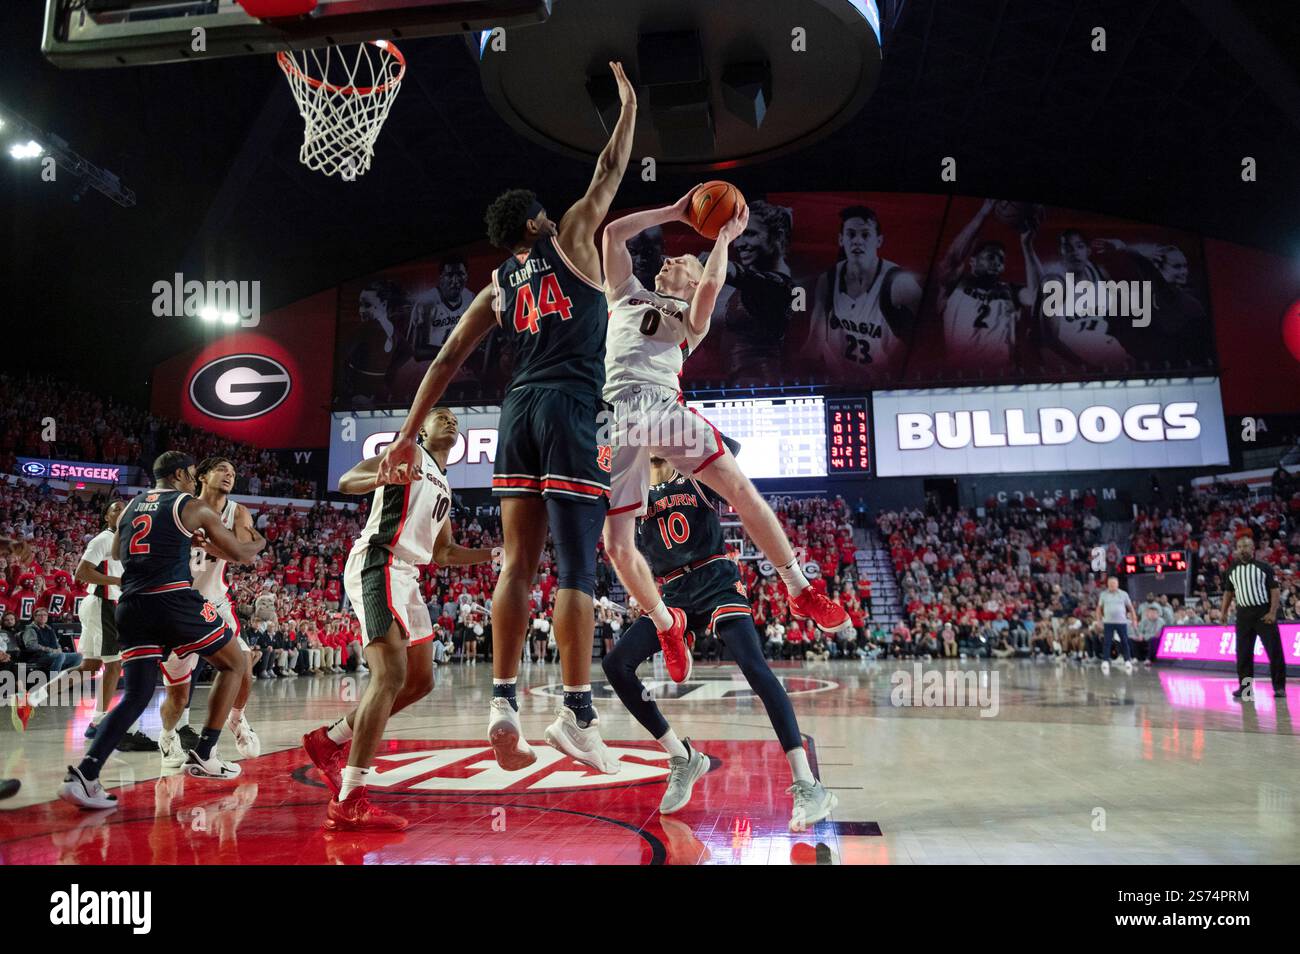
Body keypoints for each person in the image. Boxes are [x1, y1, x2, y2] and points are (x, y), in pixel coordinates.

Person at [374, 62, 639, 775]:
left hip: (516, 409)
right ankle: (578, 715)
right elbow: (611, 167)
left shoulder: (496, 286)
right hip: (573, 407)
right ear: (536, 221)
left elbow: (444, 361)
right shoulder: (575, 234)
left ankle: (502, 701)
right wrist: (629, 103)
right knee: (579, 567)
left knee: (518, 564)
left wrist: (404, 435)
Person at [599, 189, 848, 686]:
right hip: (615, 415)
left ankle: (799, 588)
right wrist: (674, 212)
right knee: (617, 545)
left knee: (739, 488)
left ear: (690, 281)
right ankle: (667, 625)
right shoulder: (624, 291)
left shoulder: (692, 319)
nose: (670, 257)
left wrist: (723, 237)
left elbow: (712, 284)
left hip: (663, 406)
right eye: (670, 256)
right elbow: (611, 233)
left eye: (681, 261)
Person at [602, 454, 838, 832]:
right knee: (616, 665)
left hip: (715, 579)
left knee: (755, 668)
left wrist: (678, 434)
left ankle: (807, 783)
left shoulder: (693, 464)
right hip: (671, 592)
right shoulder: (631, 482)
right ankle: (682, 757)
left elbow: (724, 451)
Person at [302, 408, 496, 831]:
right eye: (440, 417)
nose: (450, 422)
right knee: (388, 676)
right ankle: (350, 797)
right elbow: (345, 481)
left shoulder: (443, 482)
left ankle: (329, 740)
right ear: (422, 430)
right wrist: (384, 475)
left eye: (453, 419)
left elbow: (444, 553)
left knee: (420, 680)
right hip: (379, 562)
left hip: (407, 575)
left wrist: (497, 555)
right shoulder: (404, 454)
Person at [58, 451, 266, 811]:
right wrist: (259, 541)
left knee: (137, 695)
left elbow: (122, 552)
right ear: (184, 474)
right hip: (174, 600)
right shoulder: (190, 505)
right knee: (235, 661)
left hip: (131, 605)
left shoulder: (129, 507)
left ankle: (85, 774)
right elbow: (241, 553)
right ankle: (204, 753)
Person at [154, 456, 263, 770]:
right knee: (177, 695)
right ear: (201, 475)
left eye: (233, 471)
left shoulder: (236, 511)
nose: (229, 475)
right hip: (178, 604)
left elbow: (242, 552)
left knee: (242, 664)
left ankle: (237, 719)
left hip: (215, 602)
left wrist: (215, 546)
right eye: (222, 469)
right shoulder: (182, 507)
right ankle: (166, 736)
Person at [806, 205, 921, 384]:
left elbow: (930, 336)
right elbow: (815, 340)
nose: (857, 241)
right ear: (841, 240)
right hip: (837, 386)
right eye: (851, 234)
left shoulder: (899, 283)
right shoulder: (827, 280)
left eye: (865, 235)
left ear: (879, 241)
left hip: (884, 385)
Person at [75, 499, 157, 752]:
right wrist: (117, 580)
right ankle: (100, 722)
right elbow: (82, 572)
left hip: (108, 605)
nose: (121, 512)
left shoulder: (127, 543)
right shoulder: (103, 539)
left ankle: (34, 697)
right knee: (114, 665)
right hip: (103, 603)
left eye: (124, 509)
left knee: (91, 666)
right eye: (115, 509)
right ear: (107, 517)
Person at [935, 199, 1043, 377]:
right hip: (962, 377)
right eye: (991, 257)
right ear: (973, 261)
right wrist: (983, 213)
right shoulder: (955, 284)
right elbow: (953, 258)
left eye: (1001, 260)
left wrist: (1027, 246)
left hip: (1003, 376)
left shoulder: (1010, 290)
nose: (997, 263)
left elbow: (1038, 297)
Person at [1221, 535, 1287, 701]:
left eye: (1247, 546)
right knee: (1243, 654)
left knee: (1274, 652)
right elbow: (1228, 593)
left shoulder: (1264, 567)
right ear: (1237, 549)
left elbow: (1275, 591)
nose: (1243, 549)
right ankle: (1246, 688)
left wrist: (1272, 612)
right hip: (1243, 615)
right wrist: (1223, 612)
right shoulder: (1232, 569)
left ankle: (1279, 687)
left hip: (1263, 613)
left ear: (1253, 549)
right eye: (1240, 546)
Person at [1094, 576, 1138, 674]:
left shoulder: (1123, 594)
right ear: (1108, 584)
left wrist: (1134, 619)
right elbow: (1099, 608)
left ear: (1117, 584)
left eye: (1114, 584)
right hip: (1108, 622)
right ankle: (1105, 660)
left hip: (1121, 622)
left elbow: (1130, 607)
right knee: (1107, 641)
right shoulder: (1103, 594)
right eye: (1110, 584)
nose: (1112, 585)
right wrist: (1098, 620)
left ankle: (1127, 660)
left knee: (1124, 641)